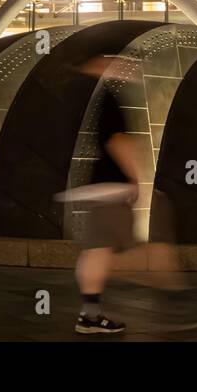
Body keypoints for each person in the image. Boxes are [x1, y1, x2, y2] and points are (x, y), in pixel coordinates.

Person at [73, 63, 141, 335]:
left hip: (98, 186)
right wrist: (134, 178)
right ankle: (89, 317)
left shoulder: (89, 96)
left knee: (96, 251)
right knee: (99, 252)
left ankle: (89, 313)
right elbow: (117, 141)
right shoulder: (109, 97)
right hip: (109, 188)